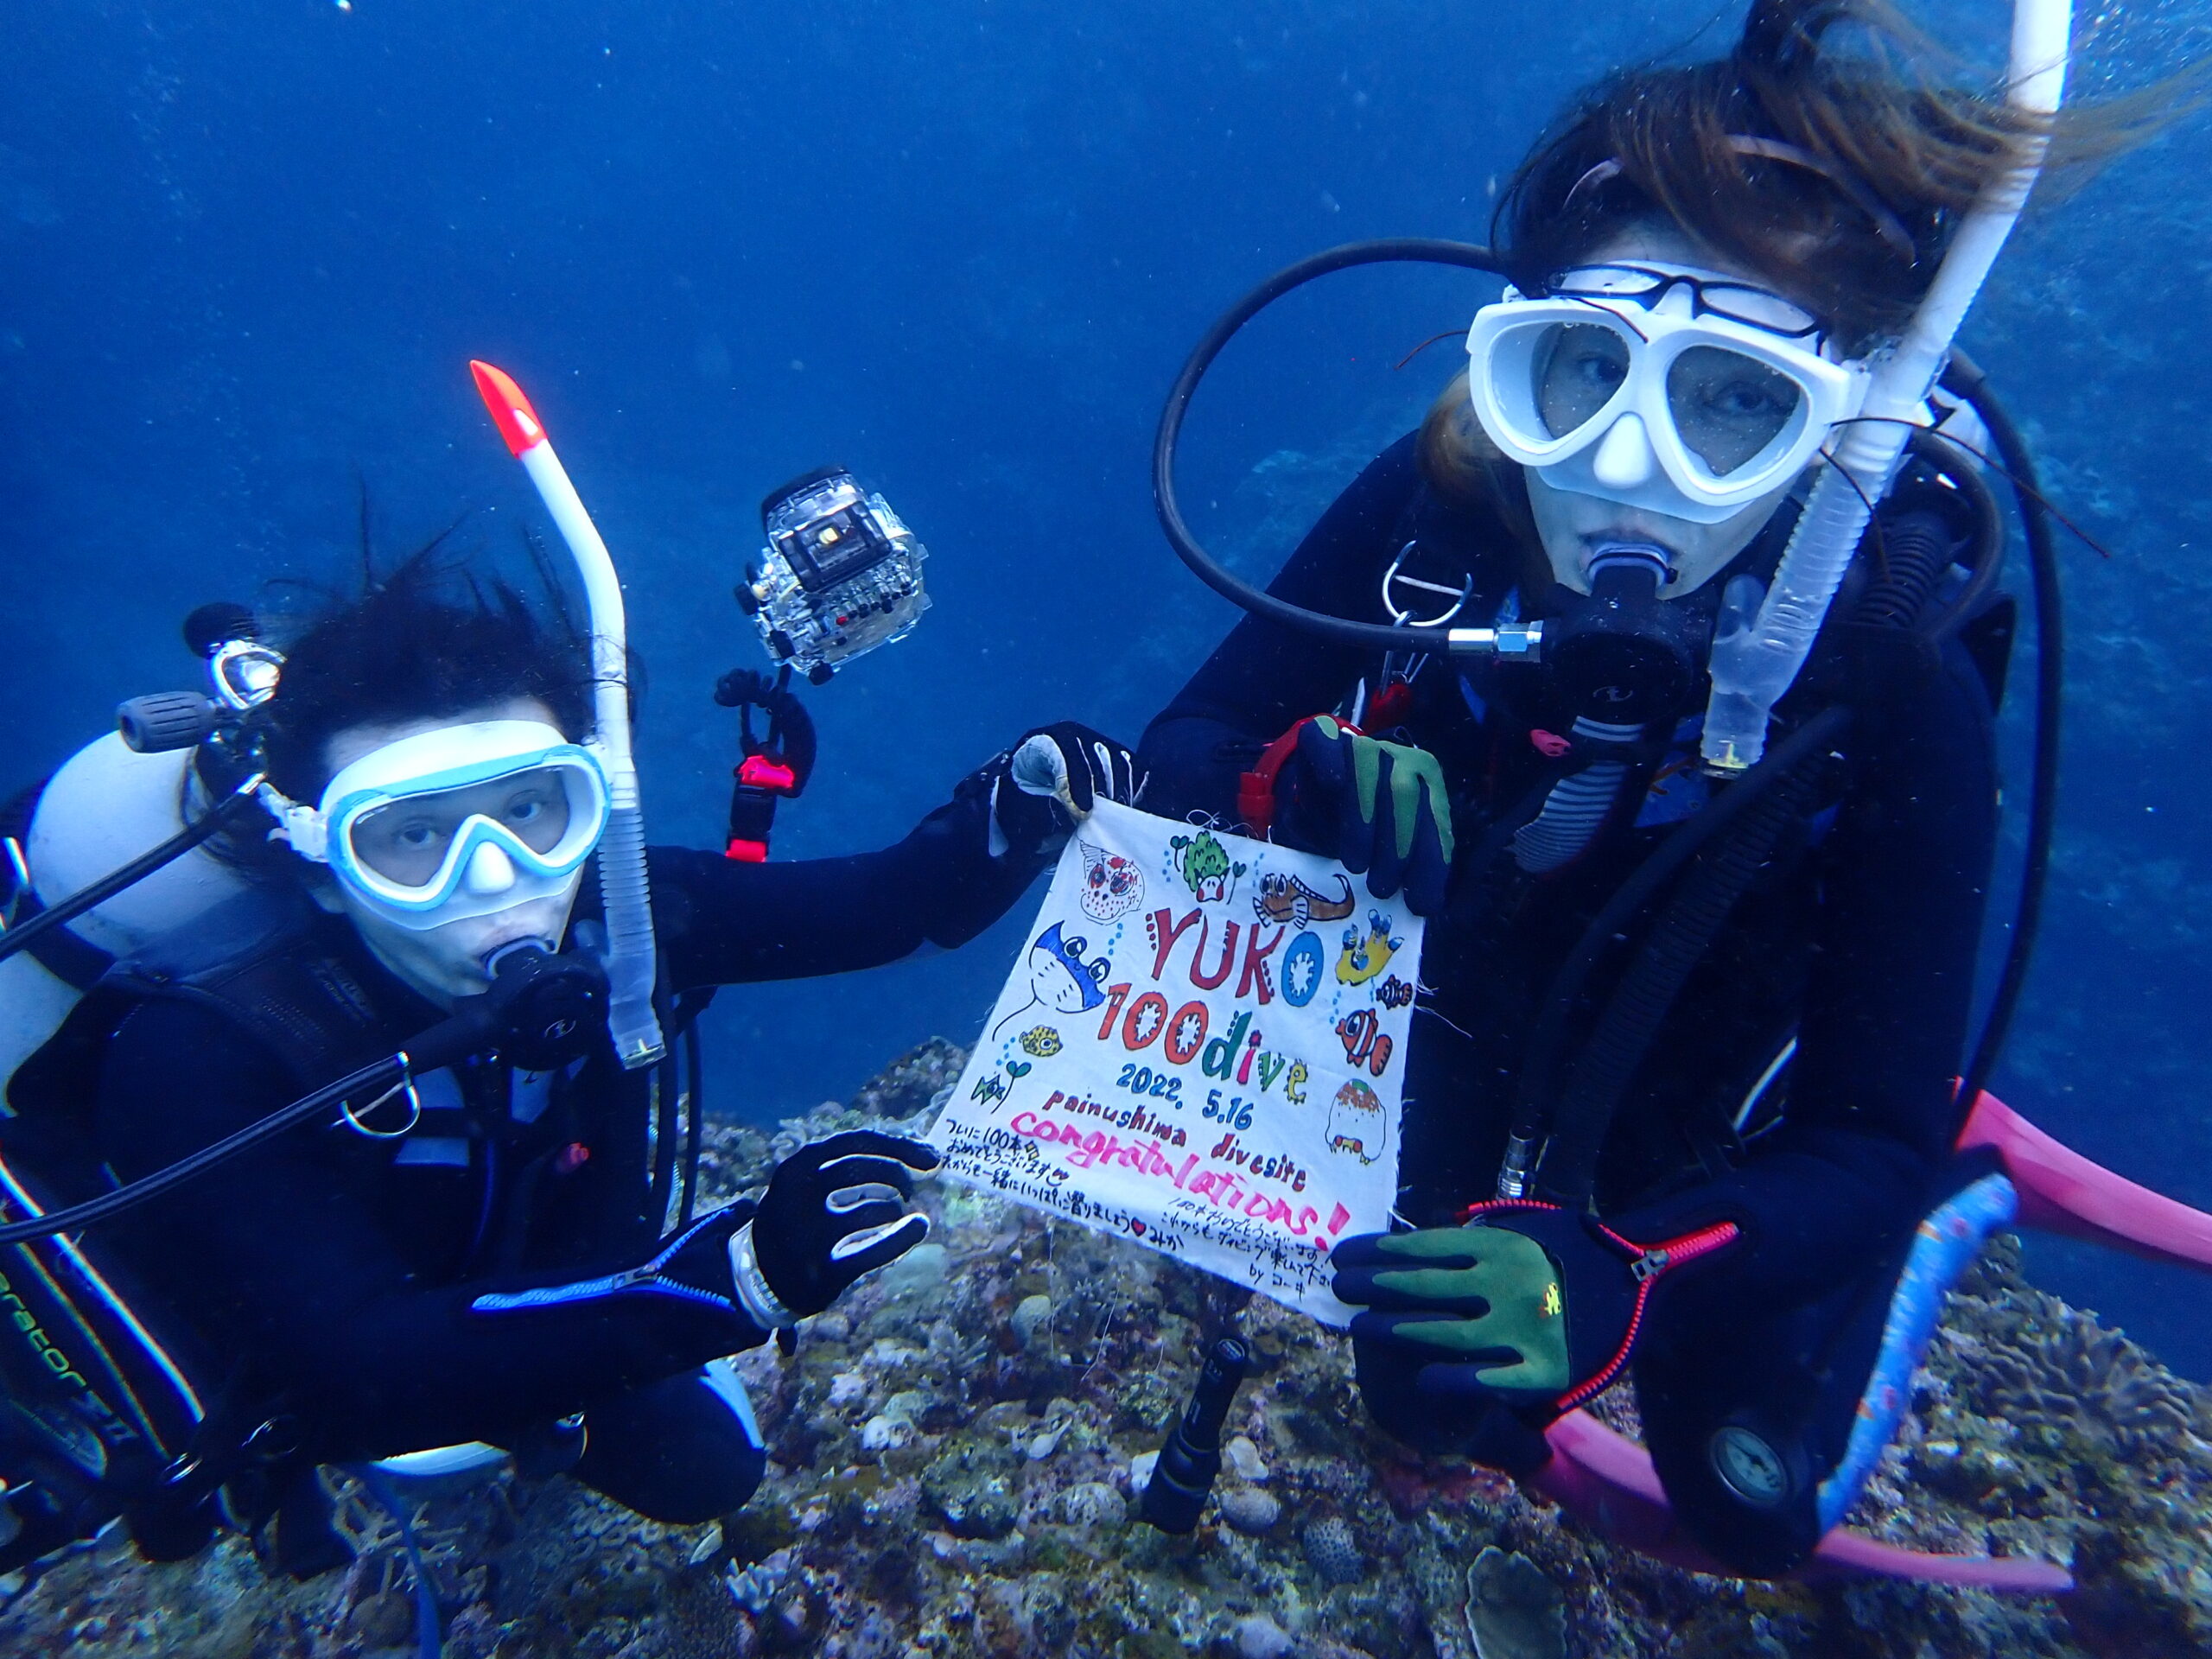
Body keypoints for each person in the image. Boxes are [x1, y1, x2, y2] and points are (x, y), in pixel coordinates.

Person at [1139, 0, 2075, 1573]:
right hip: (1467, 975)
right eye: (1583, 372)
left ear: (1842, 423)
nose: (1626, 471)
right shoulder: (1445, 501)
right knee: (1433, 1392)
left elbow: (1861, 1139)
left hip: (1716, 1039)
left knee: (1750, 1508)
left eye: (1731, 402)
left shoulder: (1889, 659)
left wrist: (1635, 1270)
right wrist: (1285, 782)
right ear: (1517, 359)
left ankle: (1983, 1197)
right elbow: (1187, 743)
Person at [0, 543, 1139, 1574]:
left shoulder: (621, 915)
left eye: (533, 811)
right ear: (314, 862)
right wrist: (717, 1291)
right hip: (325, 1360)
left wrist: (1015, 809)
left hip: (538, 1287)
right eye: (410, 836)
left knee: (706, 1473)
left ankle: (541, 1382)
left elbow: (882, 909)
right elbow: (351, 1371)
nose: (495, 880)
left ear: (596, 801)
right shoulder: (202, 1054)